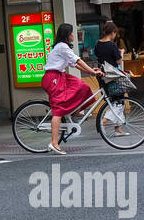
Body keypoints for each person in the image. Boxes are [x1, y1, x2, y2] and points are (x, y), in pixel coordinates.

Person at [41, 23, 104, 154]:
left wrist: (91, 71)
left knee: (82, 86)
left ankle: (75, 111)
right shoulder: (62, 47)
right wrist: (92, 72)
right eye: (72, 33)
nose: (73, 35)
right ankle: (54, 142)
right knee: (58, 109)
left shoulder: (61, 47)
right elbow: (79, 61)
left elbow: (75, 64)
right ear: (67, 35)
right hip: (53, 78)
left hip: (59, 76)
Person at [93, 21, 130, 137]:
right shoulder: (112, 45)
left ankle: (117, 128)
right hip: (112, 77)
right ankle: (103, 122)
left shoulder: (98, 44)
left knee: (115, 100)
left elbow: (98, 56)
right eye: (115, 33)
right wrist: (122, 53)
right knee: (119, 101)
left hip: (102, 76)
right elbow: (119, 62)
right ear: (113, 32)